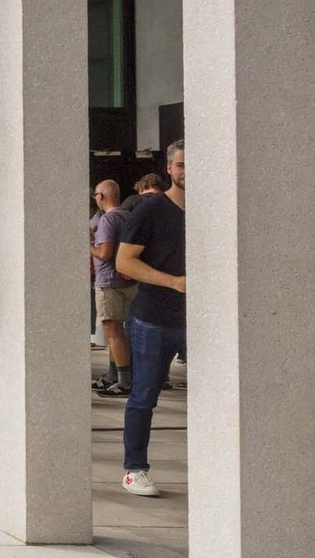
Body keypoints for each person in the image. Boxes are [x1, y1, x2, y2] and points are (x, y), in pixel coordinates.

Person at [117, 141, 187, 498]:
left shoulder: (217, 208)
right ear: (169, 170)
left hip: (203, 321)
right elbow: (124, 262)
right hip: (153, 319)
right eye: (181, 165)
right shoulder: (151, 210)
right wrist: (174, 282)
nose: (187, 171)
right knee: (144, 396)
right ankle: (135, 469)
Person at [91, 179, 136, 398]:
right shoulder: (128, 216)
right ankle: (112, 375)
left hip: (109, 282)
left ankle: (124, 380)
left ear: (101, 196)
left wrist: (88, 243)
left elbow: (104, 253)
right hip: (129, 282)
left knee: (113, 332)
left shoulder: (108, 220)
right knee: (117, 333)